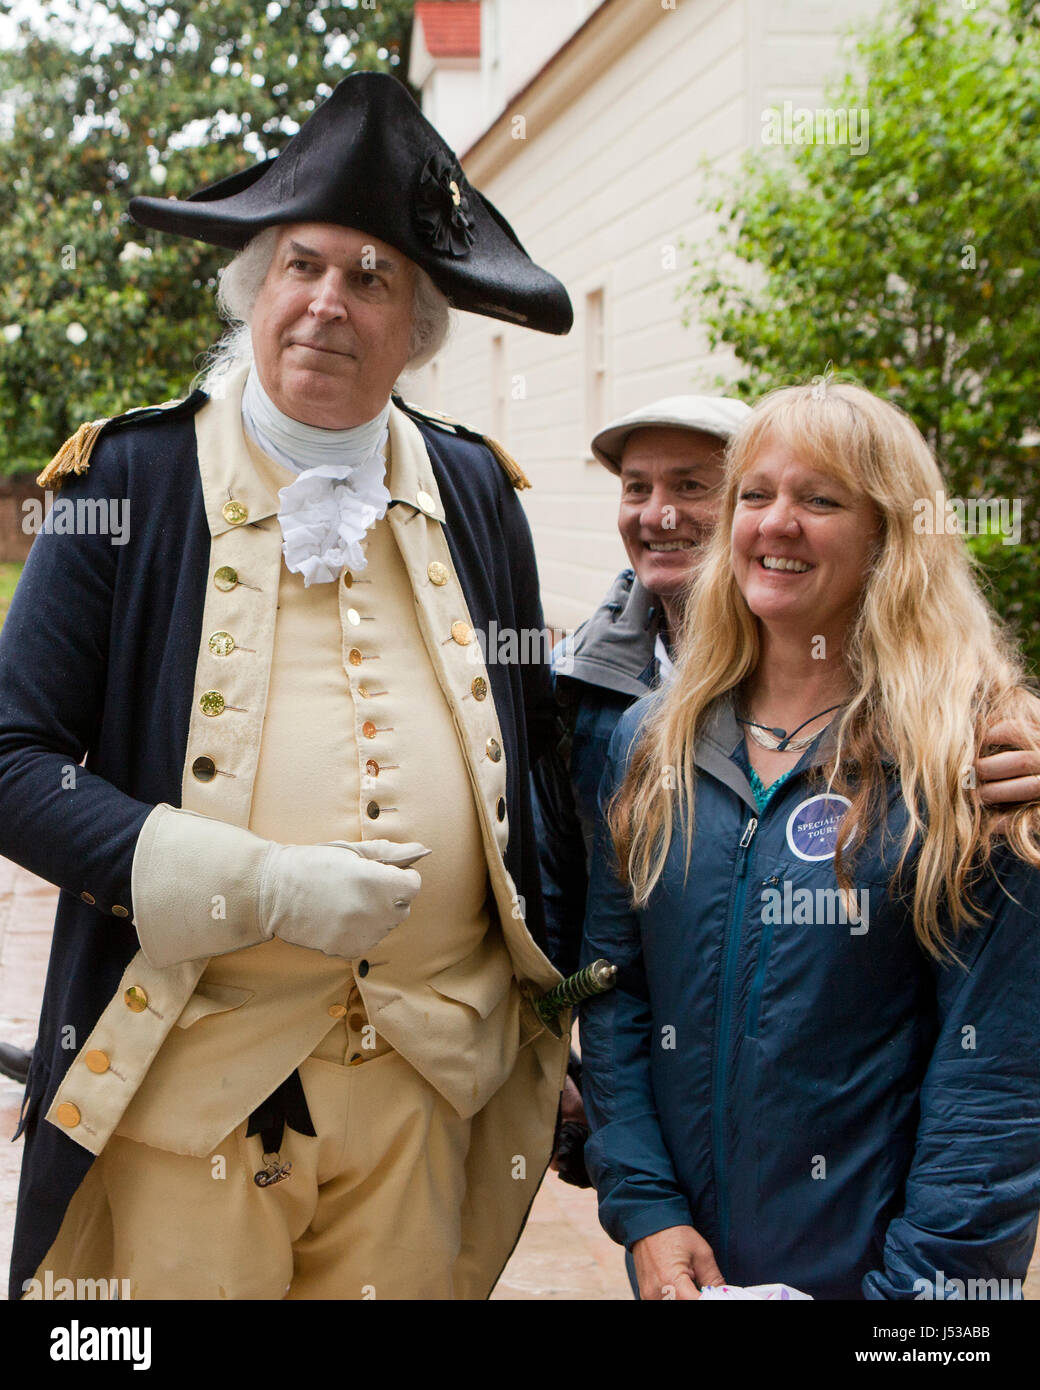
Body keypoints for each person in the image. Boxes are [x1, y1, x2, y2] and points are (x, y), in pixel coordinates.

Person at [0, 71, 574, 1301]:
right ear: (255, 286)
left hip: (430, 1082)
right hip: (191, 1081)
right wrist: (256, 884)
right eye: (301, 264)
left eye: (371, 277)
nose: (327, 301)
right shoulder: (132, 478)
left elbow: (539, 756)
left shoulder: (477, 491)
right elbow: (10, 759)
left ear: (416, 320)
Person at [579, 380, 1040, 1299]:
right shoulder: (651, 741)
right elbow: (617, 997)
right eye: (756, 495)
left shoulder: (978, 760)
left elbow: (996, 1092)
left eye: (820, 501)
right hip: (687, 1277)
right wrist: (648, 1213)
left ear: (889, 538)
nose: (776, 524)